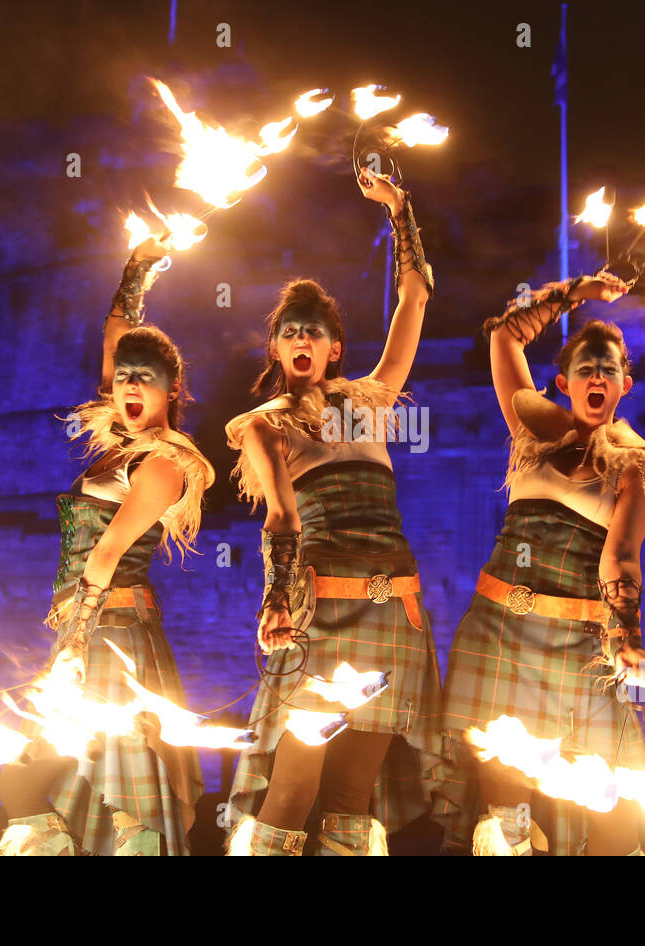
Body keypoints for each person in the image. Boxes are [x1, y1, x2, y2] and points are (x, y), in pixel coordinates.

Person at [223, 167, 443, 855]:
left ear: (333, 348)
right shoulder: (265, 424)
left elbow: (414, 296)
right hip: (319, 609)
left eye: (314, 330)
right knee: (292, 788)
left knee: (351, 801)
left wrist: (400, 211)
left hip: (393, 610)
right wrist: (275, 601)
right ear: (276, 348)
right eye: (289, 329)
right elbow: (281, 520)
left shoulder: (372, 400)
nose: (301, 337)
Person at [433, 274, 645, 855]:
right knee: (504, 811)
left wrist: (627, 635)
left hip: (579, 645)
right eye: (586, 367)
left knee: (612, 810)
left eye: (609, 369)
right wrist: (578, 290)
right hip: (498, 632)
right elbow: (503, 338)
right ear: (564, 381)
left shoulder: (636, 466)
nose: (597, 376)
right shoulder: (531, 430)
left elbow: (620, 557)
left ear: (625, 385)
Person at [0, 235, 214, 856]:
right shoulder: (122, 436)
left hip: (113, 634)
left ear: (173, 389)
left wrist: (73, 644)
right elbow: (118, 330)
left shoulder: (165, 461)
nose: (129, 387)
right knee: (38, 780)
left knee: (121, 807)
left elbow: (106, 555)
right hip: (92, 629)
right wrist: (138, 266)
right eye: (122, 380)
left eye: (145, 380)